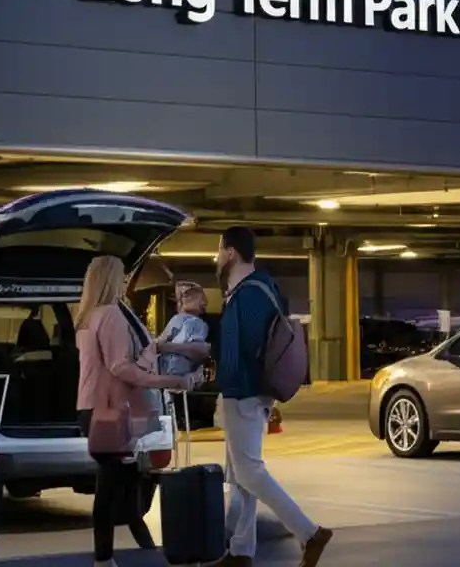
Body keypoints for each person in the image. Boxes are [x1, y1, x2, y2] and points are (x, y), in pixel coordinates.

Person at [209, 226, 331, 567]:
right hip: (260, 392)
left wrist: (212, 385)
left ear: (231, 253)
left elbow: (237, 352)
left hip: (242, 394)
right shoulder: (266, 287)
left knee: (249, 473)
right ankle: (240, 550)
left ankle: (309, 533)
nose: (217, 259)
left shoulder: (244, 297)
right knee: (240, 474)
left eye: (219, 252)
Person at [76, 255, 192, 567]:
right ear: (111, 279)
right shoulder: (112, 315)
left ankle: (144, 548)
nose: (126, 281)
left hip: (91, 409)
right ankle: (105, 558)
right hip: (112, 411)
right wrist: (166, 378)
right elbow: (119, 367)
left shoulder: (86, 317)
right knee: (113, 484)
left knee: (124, 480)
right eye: (122, 276)